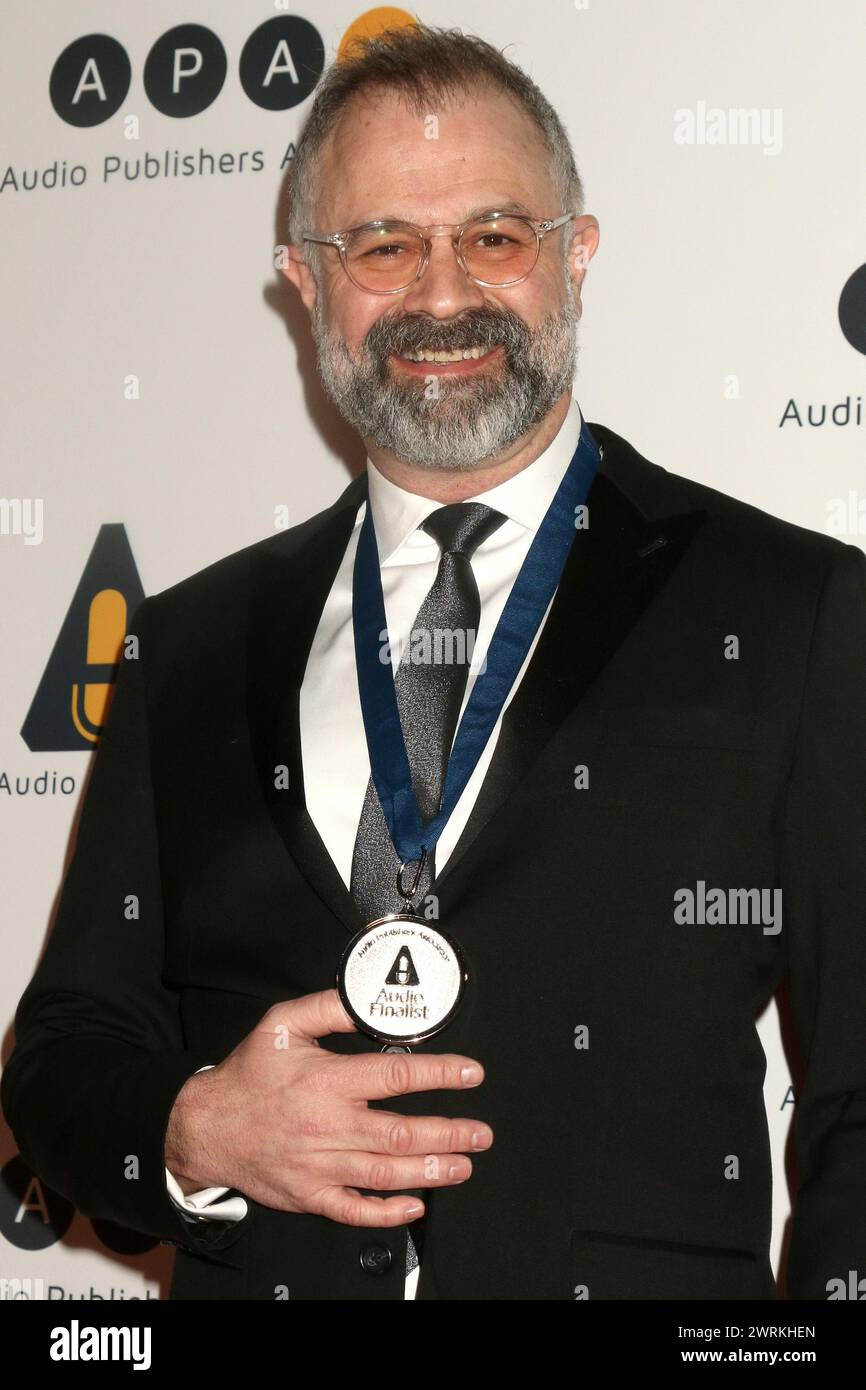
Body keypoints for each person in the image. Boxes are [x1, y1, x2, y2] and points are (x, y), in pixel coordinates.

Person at [3, 23, 866, 1302]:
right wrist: (192, 1132)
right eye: (383, 245)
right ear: (305, 280)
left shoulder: (794, 609)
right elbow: (65, 1048)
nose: (442, 294)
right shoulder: (186, 646)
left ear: (575, 254)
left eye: (494, 236)